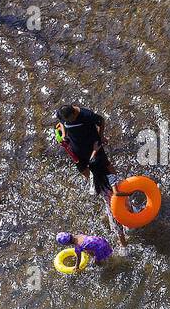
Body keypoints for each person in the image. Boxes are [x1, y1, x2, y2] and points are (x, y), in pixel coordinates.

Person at [55, 104, 128, 246]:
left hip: (98, 183)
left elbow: (88, 166)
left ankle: (122, 241)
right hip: (112, 197)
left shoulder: (92, 181)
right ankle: (123, 240)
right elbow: (59, 124)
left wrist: (100, 138)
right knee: (118, 213)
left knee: (113, 214)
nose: (67, 122)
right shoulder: (110, 175)